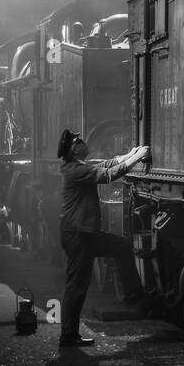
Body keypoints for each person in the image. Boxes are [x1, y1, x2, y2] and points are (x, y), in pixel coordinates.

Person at [56, 128, 150, 348]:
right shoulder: (74, 171)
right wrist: (137, 158)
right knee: (76, 286)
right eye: (78, 141)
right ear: (72, 149)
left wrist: (130, 154)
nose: (82, 142)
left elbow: (106, 165)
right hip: (78, 236)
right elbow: (107, 175)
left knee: (120, 246)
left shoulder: (78, 167)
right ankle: (67, 336)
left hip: (84, 234)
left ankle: (132, 294)